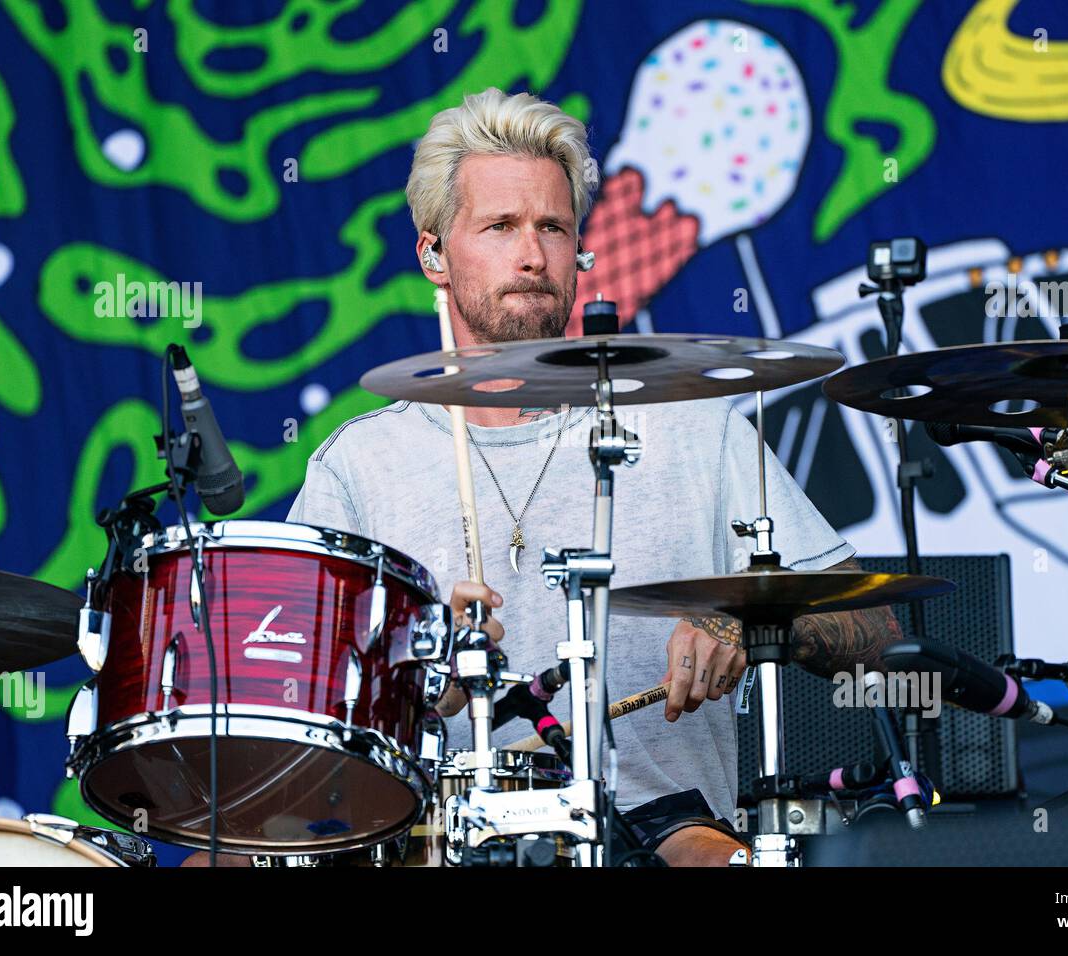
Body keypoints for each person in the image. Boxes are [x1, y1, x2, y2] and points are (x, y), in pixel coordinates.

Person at [287, 87, 901, 867]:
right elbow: (294, 710)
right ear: (433, 253)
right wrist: (410, 674)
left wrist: (750, 627)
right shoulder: (359, 468)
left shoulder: (695, 431)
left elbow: (875, 631)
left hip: (671, 841)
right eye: (500, 227)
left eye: (552, 227)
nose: (532, 256)